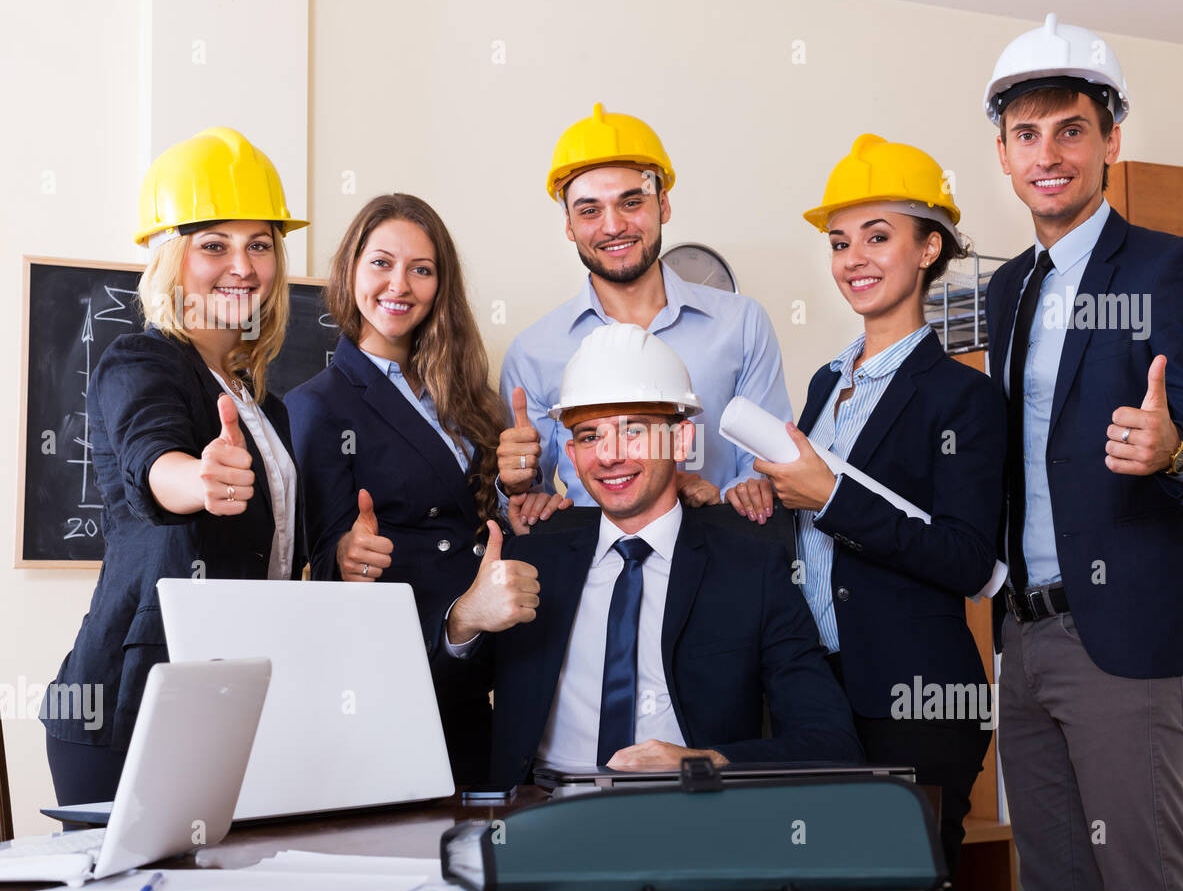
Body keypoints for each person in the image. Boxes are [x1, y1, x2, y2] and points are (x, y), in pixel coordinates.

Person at [983, 14, 1183, 891]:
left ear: (1110, 138)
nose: (1049, 153)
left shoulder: (1170, 268)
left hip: (1126, 640)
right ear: (1003, 154)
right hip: (1022, 639)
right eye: (1026, 134)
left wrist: (1177, 449)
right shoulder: (1006, 288)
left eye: (1071, 129)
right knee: (1053, 880)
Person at [437, 323, 862, 786]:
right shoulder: (532, 557)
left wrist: (704, 764)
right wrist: (463, 622)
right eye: (589, 436)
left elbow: (831, 742)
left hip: (688, 817)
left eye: (633, 431)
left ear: (681, 442)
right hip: (542, 816)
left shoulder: (751, 571)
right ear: (570, 455)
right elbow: (443, 708)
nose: (609, 456)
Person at [748, 135, 1005, 883]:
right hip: (816, 694)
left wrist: (830, 497)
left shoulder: (965, 397)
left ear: (929, 248)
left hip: (916, 697)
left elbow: (965, 557)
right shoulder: (828, 385)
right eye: (839, 242)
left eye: (878, 236)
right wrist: (754, 494)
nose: (853, 258)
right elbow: (809, 531)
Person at [42, 127, 309, 805]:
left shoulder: (262, 408)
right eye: (214, 245)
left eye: (259, 245)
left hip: (225, 699)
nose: (242, 266)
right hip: (124, 703)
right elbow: (152, 460)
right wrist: (198, 479)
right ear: (171, 260)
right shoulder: (142, 360)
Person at [286, 193, 564, 784]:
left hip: (481, 672)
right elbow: (322, 565)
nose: (400, 284)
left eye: (422, 269)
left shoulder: (462, 392)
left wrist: (519, 485)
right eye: (382, 263)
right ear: (351, 271)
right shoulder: (316, 406)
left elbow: (481, 520)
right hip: (400, 680)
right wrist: (343, 553)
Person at [496, 102, 791, 518]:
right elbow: (527, 502)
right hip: (593, 571)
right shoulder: (531, 352)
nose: (613, 226)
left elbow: (769, 470)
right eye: (589, 210)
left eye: (631, 202)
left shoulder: (742, 324)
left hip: (718, 564)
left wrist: (730, 498)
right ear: (568, 223)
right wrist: (513, 486)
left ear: (663, 205)